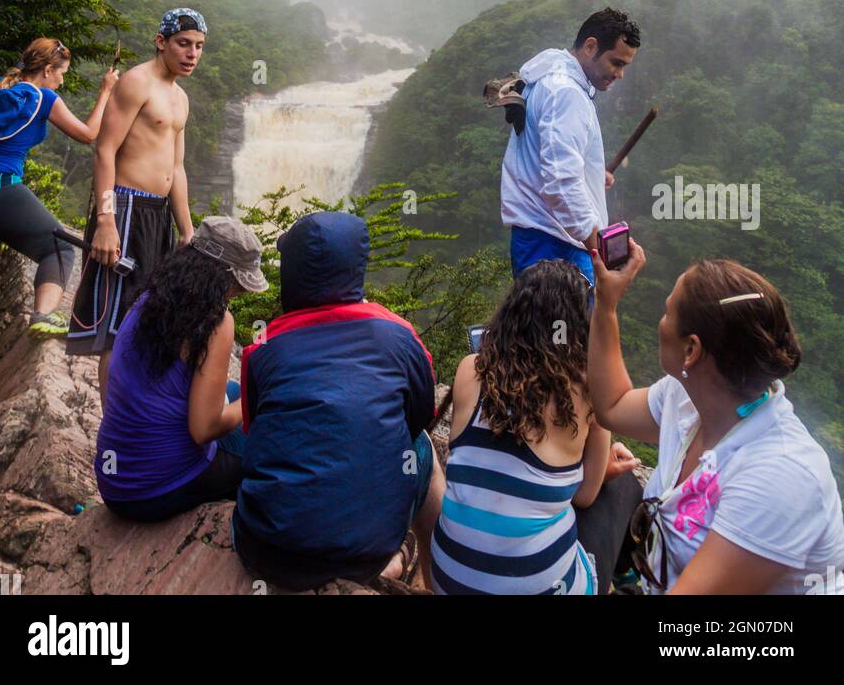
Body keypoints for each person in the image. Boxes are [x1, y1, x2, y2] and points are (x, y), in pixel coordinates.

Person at [587, 244, 844, 594]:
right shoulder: (686, 398)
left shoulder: (781, 476)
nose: (659, 322)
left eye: (666, 313)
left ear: (691, 350)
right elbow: (613, 406)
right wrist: (606, 304)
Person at [233, 210, 446, 591]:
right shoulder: (399, 336)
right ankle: (425, 577)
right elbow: (418, 419)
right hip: (368, 550)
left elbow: (256, 430)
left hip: (265, 551)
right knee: (422, 449)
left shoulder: (262, 347)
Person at [431, 260, 643, 595]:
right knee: (623, 487)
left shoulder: (470, 369)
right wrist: (599, 472)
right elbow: (585, 496)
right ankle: (628, 583)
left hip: (450, 581)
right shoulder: (588, 391)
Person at [67, 8, 207, 401]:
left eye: (198, 46)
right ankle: (113, 423)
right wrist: (105, 220)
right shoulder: (135, 83)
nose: (191, 53)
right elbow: (104, 150)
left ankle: (136, 409)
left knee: (146, 317)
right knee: (117, 325)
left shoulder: (180, 99)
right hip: (124, 210)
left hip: (157, 216)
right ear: (161, 42)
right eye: (183, 43)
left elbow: (176, 169)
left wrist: (187, 229)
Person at [96, 216, 266, 522]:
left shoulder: (150, 298)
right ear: (223, 277)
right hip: (155, 491)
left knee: (232, 392)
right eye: (239, 283)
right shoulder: (215, 320)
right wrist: (256, 400)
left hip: (113, 479)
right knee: (268, 437)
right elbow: (203, 429)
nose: (240, 292)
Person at [0, 38, 118, 337]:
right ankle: (42, 315)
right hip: (0, 188)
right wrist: (106, 91)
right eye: (61, 73)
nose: (62, 80)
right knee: (60, 248)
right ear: (47, 69)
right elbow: (88, 134)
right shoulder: (45, 99)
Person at [502, 7, 640, 284]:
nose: (620, 74)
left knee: (546, 326)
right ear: (591, 46)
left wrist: (590, 178)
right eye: (616, 63)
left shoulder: (548, 78)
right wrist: (601, 249)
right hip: (555, 247)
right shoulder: (566, 92)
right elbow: (561, 184)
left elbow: (551, 162)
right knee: (566, 327)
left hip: (544, 241)